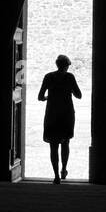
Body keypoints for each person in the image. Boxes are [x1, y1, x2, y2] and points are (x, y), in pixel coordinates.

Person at [37, 54, 82, 183]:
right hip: (66, 114)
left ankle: (56, 175)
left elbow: (40, 96)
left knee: (53, 145)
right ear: (67, 66)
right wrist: (70, 91)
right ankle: (63, 169)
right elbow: (79, 95)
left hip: (52, 113)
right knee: (65, 142)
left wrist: (48, 98)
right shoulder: (69, 77)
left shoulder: (48, 77)